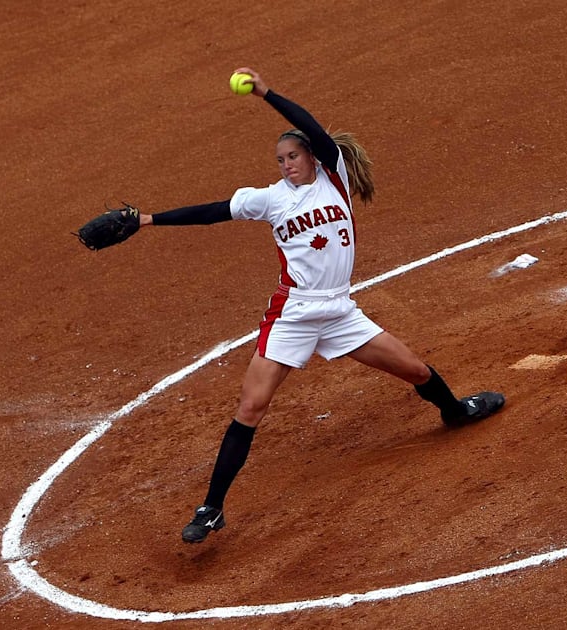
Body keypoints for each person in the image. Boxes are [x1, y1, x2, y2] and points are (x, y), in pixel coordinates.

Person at [125, 67, 505, 543]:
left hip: (341, 311)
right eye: (280, 159)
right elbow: (211, 214)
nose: (286, 164)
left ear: (311, 156)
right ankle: (211, 507)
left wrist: (266, 92)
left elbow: (316, 129)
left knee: (416, 371)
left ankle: (455, 412)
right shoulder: (270, 200)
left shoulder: (334, 179)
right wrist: (148, 220)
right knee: (251, 406)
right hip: (296, 314)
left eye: (293, 155)